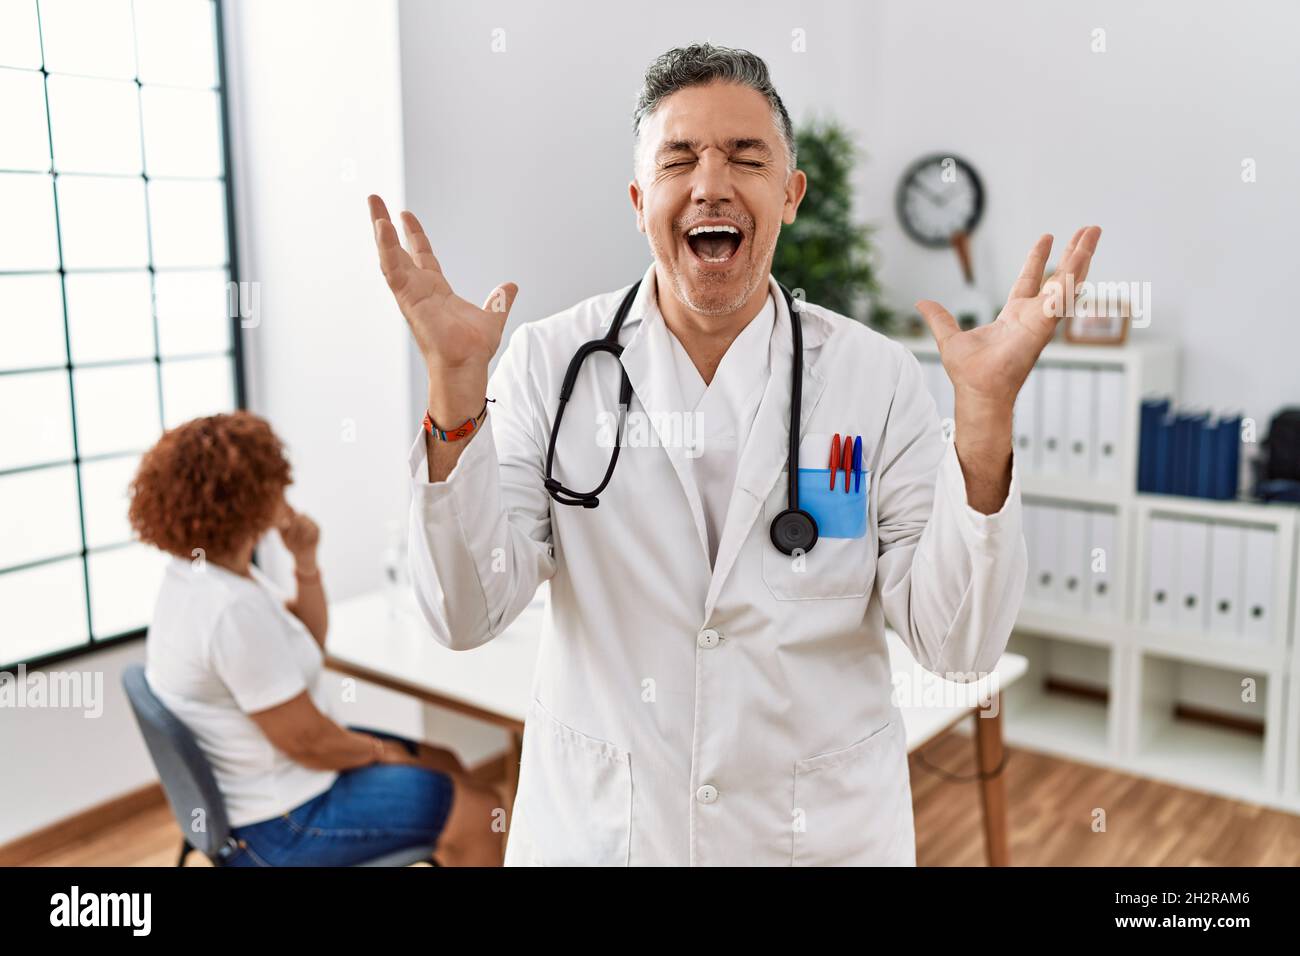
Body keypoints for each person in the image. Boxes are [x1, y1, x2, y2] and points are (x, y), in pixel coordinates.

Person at [368, 43, 1101, 865]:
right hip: (606, 833)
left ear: (789, 196)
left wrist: (986, 420)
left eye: (746, 158)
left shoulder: (874, 377)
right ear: (640, 200)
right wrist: (455, 392)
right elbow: (465, 613)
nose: (711, 183)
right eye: (678, 159)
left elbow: (958, 648)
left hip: (816, 836)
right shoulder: (550, 362)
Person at [130, 411, 501, 866]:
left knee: (443, 760)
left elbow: (307, 640)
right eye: (276, 483)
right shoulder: (229, 609)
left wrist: (305, 561)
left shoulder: (205, 576)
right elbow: (308, 742)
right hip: (282, 820)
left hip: (273, 784)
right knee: (484, 812)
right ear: (251, 500)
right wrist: (382, 755)